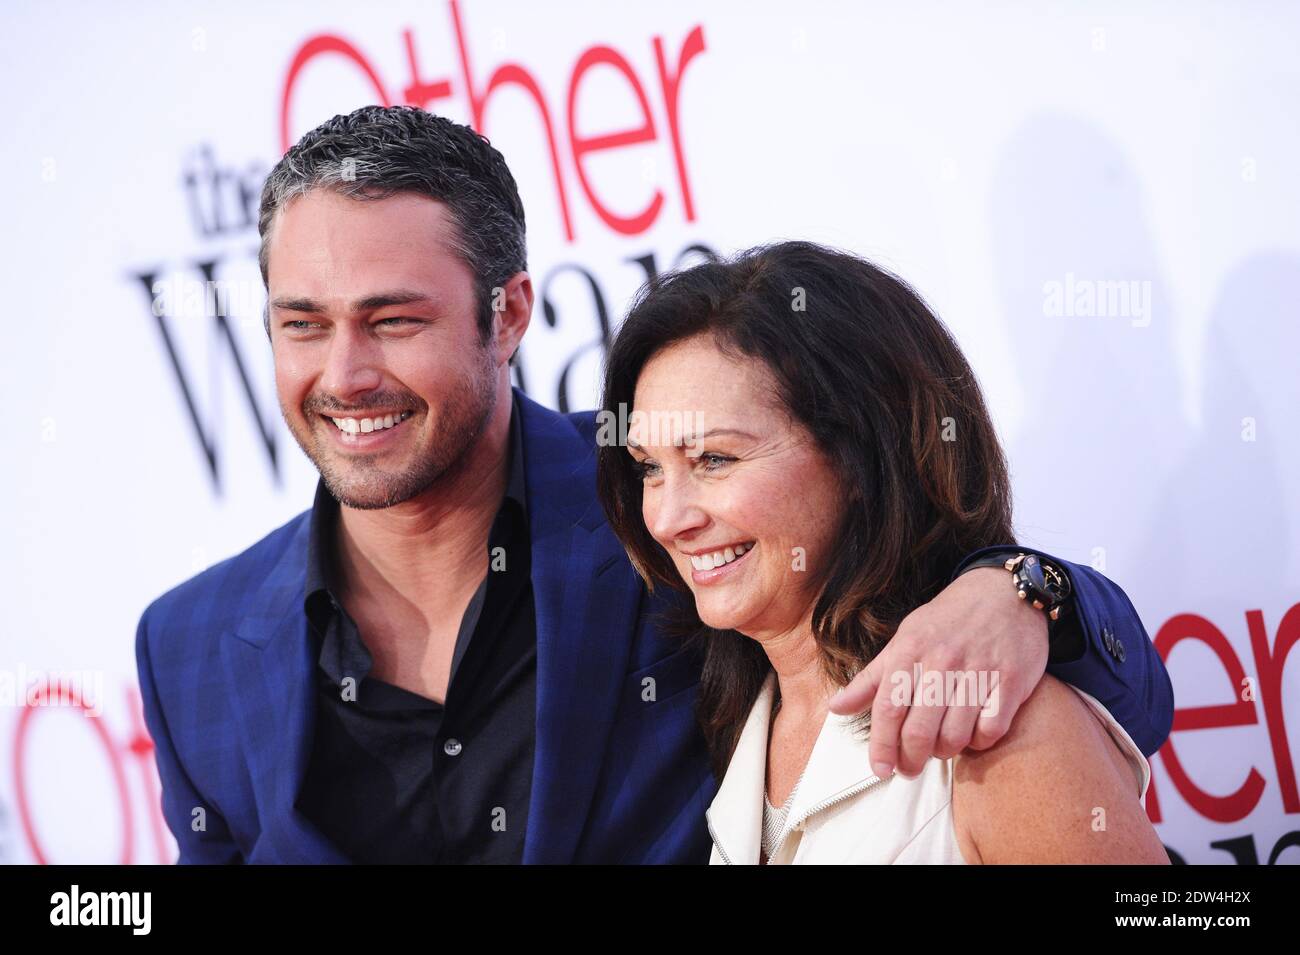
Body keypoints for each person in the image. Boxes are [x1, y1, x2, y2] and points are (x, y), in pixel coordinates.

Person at [135, 105, 1172, 863]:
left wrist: (1020, 590)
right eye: (301, 322)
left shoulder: (661, 522)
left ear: (506, 314)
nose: (346, 373)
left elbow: (1106, 690)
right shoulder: (188, 646)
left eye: (393, 319)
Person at [596, 241, 1170, 863]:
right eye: (649, 468)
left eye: (714, 459)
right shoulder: (728, 723)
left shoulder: (1000, 727)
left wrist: (1025, 590)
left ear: (859, 457)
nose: (669, 518)